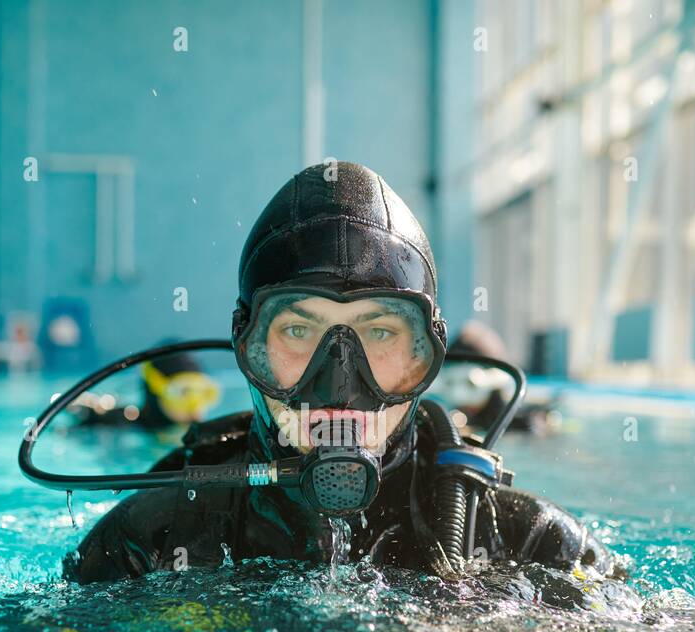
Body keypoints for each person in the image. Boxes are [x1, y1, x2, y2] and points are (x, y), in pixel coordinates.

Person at [64, 162, 622, 587]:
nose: (339, 383)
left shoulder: (528, 541)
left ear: (427, 354)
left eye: (379, 333)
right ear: (248, 345)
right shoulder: (155, 537)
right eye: (299, 331)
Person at [443, 321, 559, 437]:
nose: (457, 393)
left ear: (495, 379)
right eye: (449, 383)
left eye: (470, 384)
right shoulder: (449, 420)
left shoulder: (524, 425)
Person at [65, 348, 222, 431]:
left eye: (204, 393)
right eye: (183, 392)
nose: (196, 406)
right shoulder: (121, 426)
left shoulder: (206, 433)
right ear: (156, 389)